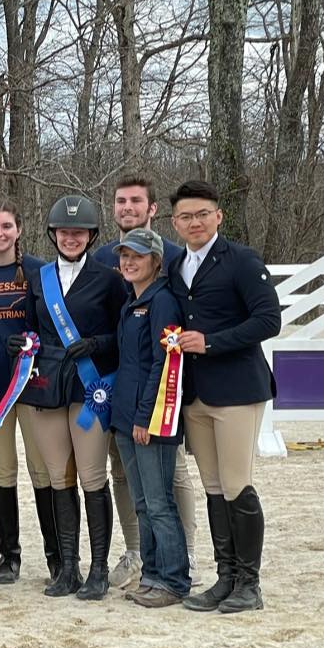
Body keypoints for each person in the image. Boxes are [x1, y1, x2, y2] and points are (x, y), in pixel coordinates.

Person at [167, 180, 280, 613]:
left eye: (202, 214)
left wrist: (211, 341)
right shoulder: (177, 264)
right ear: (175, 222)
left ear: (218, 216)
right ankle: (225, 576)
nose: (194, 222)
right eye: (185, 217)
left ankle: (249, 584)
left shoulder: (242, 261)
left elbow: (269, 320)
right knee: (214, 487)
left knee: (236, 484)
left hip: (236, 389)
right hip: (195, 392)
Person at [14, 196, 127, 600]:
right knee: (59, 477)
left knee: (92, 477)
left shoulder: (109, 279)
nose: (71, 238)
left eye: (79, 233)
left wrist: (97, 343)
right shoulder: (39, 278)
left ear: (91, 236)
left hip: (90, 386)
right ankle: (68, 567)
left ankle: (99, 568)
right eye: (65, 232)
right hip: (49, 388)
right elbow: (32, 327)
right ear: (54, 235)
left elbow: (124, 334)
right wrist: (22, 342)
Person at [91, 174, 201, 590]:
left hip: (160, 390)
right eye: (120, 201)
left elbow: (169, 347)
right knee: (128, 480)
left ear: (152, 208)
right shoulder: (105, 257)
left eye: (136, 201)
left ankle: (180, 558)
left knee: (169, 481)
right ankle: (141, 556)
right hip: (119, 385)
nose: (128, 207)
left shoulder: (173, 261)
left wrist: (151, 408)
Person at [0, 200, 57, 584]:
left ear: (19, 230)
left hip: (34, 386)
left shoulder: (39, 271)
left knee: (43, 470)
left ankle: (57, 555)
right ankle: (10, 555)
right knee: (2, 471)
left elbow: (53, 326)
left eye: (6, 226)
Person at [110, 228, 191, 607]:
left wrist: (145, 416)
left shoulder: (163, 303)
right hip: (126, 418)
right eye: (125, 255)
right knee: (142, 502)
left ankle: (173, 580)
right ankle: (152, 574)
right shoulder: (131, 301)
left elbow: (164, 363)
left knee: (160, 503)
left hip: (152, 418)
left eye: (137, 256)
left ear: (156, 261)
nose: (128, 261)